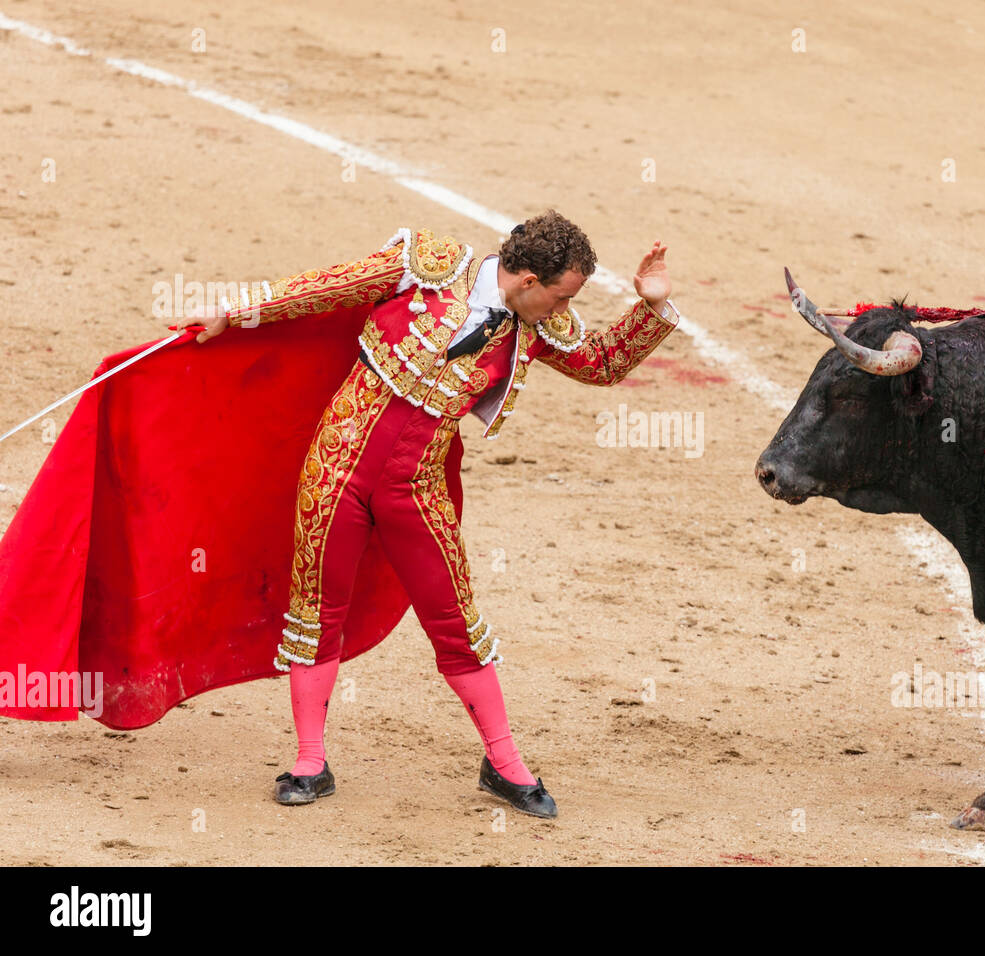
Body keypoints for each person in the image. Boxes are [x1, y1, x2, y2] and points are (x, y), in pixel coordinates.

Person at [194, 210, 678, 817]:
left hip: (416, 485)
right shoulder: (428, 264)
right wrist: (236, 308)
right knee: (317, 609)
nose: (564, 307)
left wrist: (652, 306)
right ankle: (310, 762)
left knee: (455, 619)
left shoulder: (536, 325)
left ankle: (504, 764)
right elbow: (326, 286)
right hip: (337, 465)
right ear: (527, 279)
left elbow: (601, 364)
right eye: (562, 293)